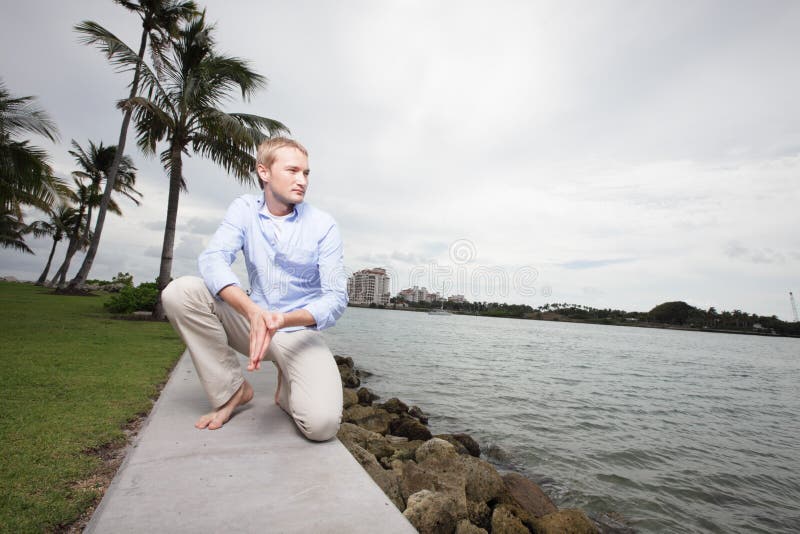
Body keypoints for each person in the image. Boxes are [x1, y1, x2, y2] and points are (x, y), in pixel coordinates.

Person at [161, 137, 347, 441]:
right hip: (250, 323)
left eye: (306, 173)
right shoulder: (244, 208)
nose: (302, 180)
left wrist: (282, 320)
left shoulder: (323, 225)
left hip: (297, 330)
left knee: (322, 426)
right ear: (264, 172)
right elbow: (213, 259)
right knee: (180, 292)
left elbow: (336, 298)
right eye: (292, 171)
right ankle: (232, 391)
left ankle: (287, 392)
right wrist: (252, 311)